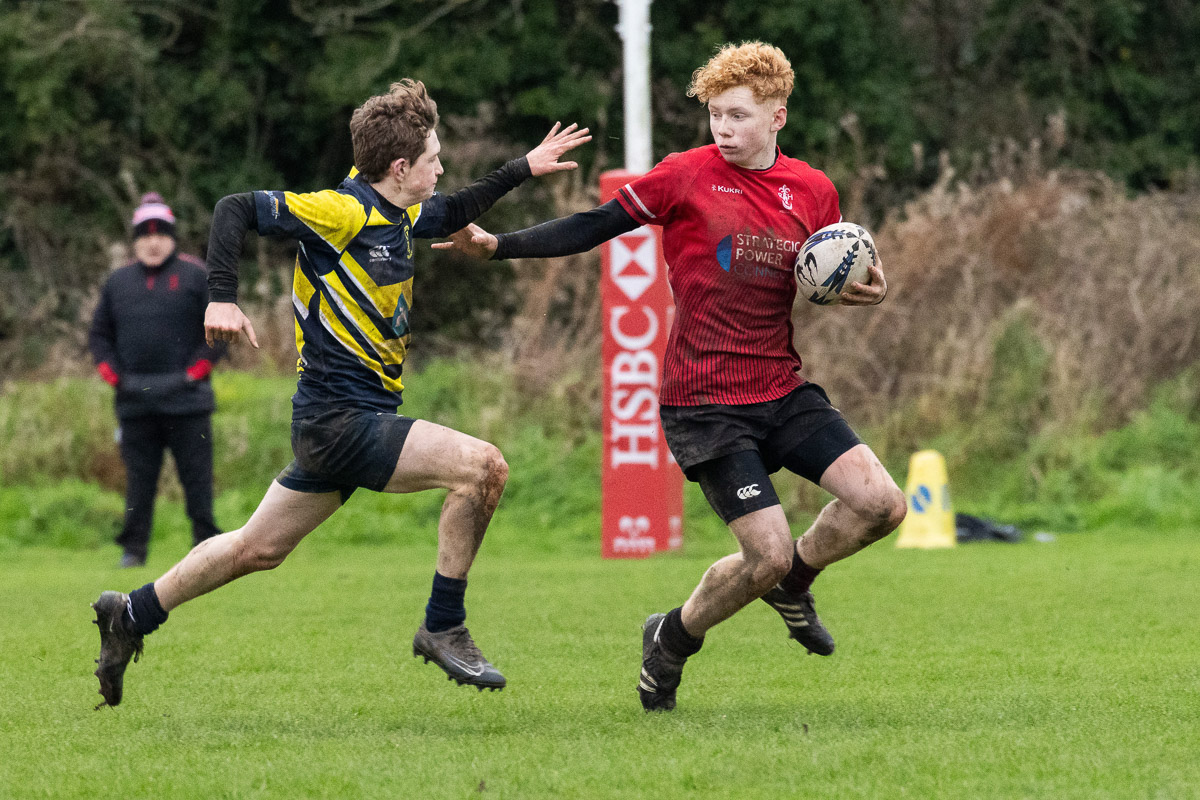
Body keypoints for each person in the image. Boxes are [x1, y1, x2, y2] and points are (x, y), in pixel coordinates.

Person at [433, 42, 907, 711]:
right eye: (715, 114)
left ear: (778, 117)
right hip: (705, 402)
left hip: (781, 387)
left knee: (883, 506)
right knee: (762, 555)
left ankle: (795, 582)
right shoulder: (685, 175)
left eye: (739, 115)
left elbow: (831, 270)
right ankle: (673, 638)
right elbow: (594, 225)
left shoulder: (814, 191)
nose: (723, 127)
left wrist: (866, 288)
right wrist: (500, 244)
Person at [90, 79, 591, 708]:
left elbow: (457, 209)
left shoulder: (400, 210)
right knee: (482, 468)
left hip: (345, 420)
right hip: (338, 419)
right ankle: (443, 624)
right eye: (434, 159)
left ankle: (132, 613)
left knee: (257, 548)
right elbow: (233, 208)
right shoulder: (343, 210)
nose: (442, 168)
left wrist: (523, 167)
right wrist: (220, 295)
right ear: (401, 167)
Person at [88, 193, 224, 569]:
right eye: (145, 235)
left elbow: (217, 333)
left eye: (161, 234)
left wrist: (193, 374)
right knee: (138, 485)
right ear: (135, 240)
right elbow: (99, 336)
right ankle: (134, 550)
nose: (153, 241)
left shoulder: (196, 275)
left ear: (172, 237)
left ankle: (208, 549)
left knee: (197, 481)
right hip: (135, 402)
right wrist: (115, 378)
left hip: (189, 401)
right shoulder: (118, 282)